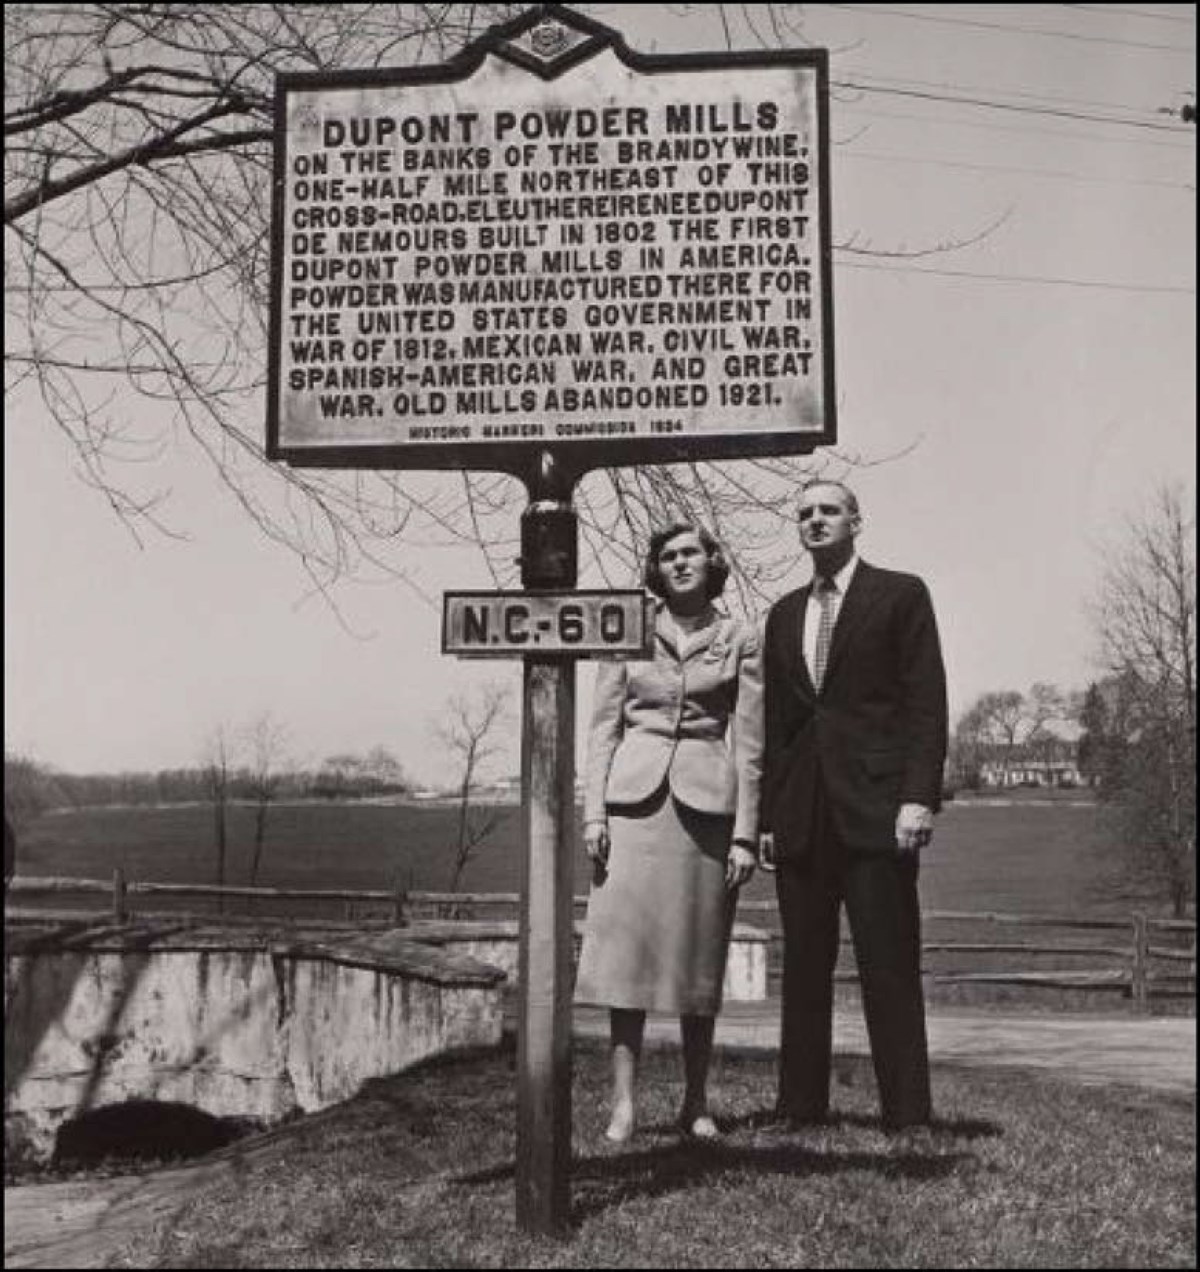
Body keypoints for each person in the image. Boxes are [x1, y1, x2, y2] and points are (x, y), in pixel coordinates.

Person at [759, 480, 948, 1131]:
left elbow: (926, 706)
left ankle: (908, 1115)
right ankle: (800, 1108)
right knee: (804, 972)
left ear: (856, 521)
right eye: (805, 513)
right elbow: (778, 726)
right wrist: (765, 821)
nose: (816, 520)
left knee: (888, 968)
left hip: (878, 816)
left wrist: (918, 797)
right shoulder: (783, 614)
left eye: (829, 510)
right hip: (802, 819)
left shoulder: (900, 595)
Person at [575, 523, 763, 1142]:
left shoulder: (740, 637)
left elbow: (752, 743)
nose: (680, 563)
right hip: (632, 808)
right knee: (625, 958)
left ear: (712, 563)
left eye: (692, 554)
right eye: (669, 555)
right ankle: (623, 1105)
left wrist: (744, 832)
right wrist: (594, 813)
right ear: (656, 567)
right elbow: (602, 730)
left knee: (697, 956)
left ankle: (696, 1101)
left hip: (707, 811)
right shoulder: (627, 627)